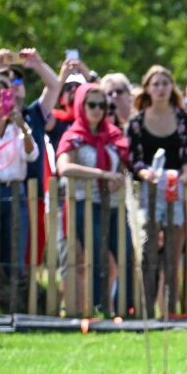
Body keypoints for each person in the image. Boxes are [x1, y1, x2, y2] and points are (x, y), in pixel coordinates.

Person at [125, 65, 187, 316]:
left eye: (165, 83)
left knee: (172, 254)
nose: (160, 88)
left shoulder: (183, 118)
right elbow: (133, 159)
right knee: (148, 256)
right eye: (155, 84)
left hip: (175, 189)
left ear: (172, 87)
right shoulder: (136, 123)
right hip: (148, 191)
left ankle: (170, 309)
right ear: (147, 88)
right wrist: (146, 173)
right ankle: (147, 311)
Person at [55, 82, 130, 315]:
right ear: (81, 106)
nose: (98, 110)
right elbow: (63, 168)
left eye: (102, 105)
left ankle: (122, 308)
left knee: (127, 254)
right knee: (97, 258)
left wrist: (120, 177)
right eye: (92, 104)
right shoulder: (73, 136)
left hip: (114, 204)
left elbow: (127, 166)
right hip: (84, 205)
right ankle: (98, 309)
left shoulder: (114, 135)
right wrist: (101, 174)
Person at [0, 69, 40, 312]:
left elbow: (32, 154)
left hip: (15, 193)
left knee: (14, 254)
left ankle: (14, 307)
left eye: (2, 96)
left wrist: (21, 125)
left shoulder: (17, 128)